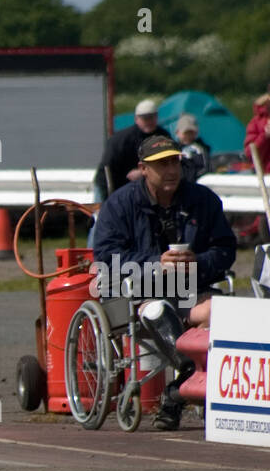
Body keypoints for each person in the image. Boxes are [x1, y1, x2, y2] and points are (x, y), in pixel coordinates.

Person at [94, 135, 236, 431]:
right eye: (161, 164)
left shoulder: (203, 200)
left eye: (175, 162)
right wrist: (155, 263)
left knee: (221, 312)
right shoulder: (119, 204)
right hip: (140, 293)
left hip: (190, 290)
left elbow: (225, 250)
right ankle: (185, 378)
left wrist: (198, 262)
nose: (171, 170)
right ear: (143, 168)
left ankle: (176, 394)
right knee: (157, 310)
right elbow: (105, 257)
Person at [92, 99, 172, 201]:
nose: (149, 121)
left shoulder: (164, 138)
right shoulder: (120, 140)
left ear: (157, 117)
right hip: (113, 186)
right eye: (145, 118)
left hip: (144, 189)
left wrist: (143, 172)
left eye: (151, 117)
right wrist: (106, 200)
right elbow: (107, 169)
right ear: (136, 119)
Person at [174, 113, 211, 182]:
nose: (188, 136)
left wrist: (191, 177)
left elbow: (205, 168)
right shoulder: (173, 148)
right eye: (186, 133)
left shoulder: (200, 149)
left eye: (191, 133)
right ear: (177, 133)